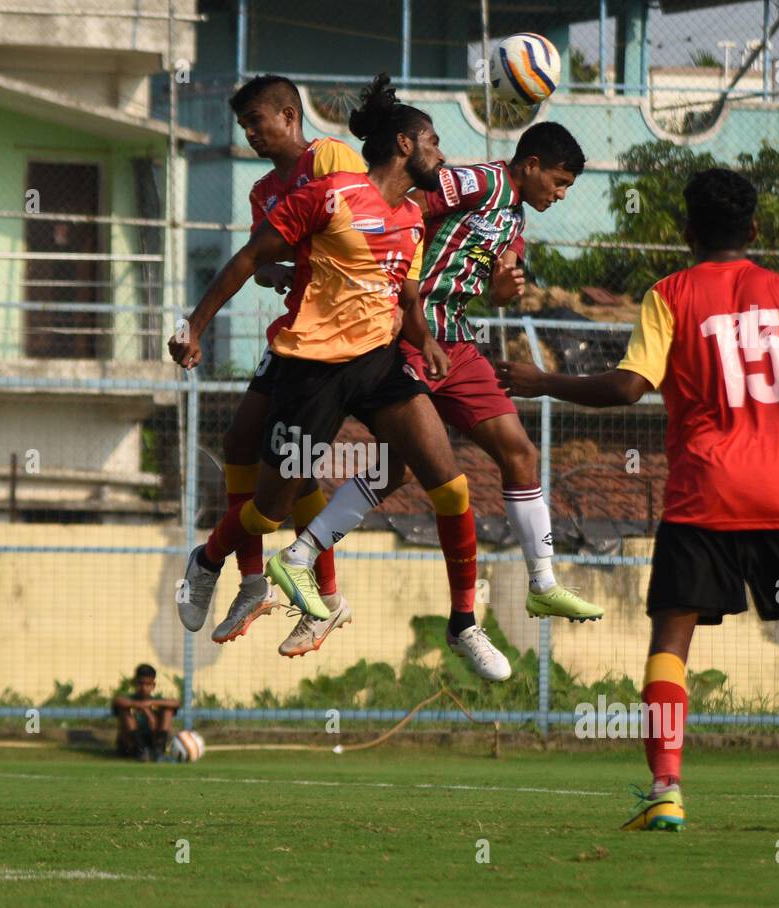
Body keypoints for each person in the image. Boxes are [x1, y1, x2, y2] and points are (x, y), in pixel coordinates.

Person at [497, 168, 779, 837]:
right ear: (756, 230)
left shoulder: (670, 295)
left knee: (670, 640)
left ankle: (666, 791)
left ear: (686, 233)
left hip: (702, 496)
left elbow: (627, 389)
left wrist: (545, 381)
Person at [171, 73, 510, 681]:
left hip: (379, 365)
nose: (442, 153)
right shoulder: (331, 193)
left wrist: (425, 340)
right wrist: (195, 325)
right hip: (312, 371)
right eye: (432, 140)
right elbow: (249, 258)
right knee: (269, 511)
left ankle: (464, 623)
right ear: (405, 145)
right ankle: (209, 557)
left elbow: (402, 295)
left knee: (450, 484)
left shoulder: (412, 217)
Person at [274, 122, 604, 629]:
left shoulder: (515, 217)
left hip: (458, 341)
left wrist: (503, 289)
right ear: (531, 165)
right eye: (558, 183)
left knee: (520, 452)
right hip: (409, 333)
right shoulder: (478, 182)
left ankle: (543, 584)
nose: (560, 195)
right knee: (393, 469)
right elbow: (407, 210)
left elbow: (502, 276)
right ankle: (299, 558)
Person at [212, 74, 367, 656]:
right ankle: (258, 583)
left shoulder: (329, 158)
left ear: (288, 114)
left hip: (340, 340)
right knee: (241, 443)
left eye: (256, 120)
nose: (250, 133)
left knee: (295, 468)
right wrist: (278, 273)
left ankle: (315, 592)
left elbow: (359, 227)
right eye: (244, 125)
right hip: (297, 333)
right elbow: (261, 258)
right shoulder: (262, 192)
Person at [112, 664, 179, 761]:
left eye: (148, 684)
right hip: (131, 745)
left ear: (153, 685)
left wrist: (151, 703)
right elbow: (117, 701)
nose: (144, 688)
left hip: (152, 739)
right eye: (141, 683)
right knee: (123, 711)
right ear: (135, 683)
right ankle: (141, 750)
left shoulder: (156, 701)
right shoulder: (129, 699)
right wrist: (142, 707)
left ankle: (158, 750)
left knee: (168, 711)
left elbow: (176, 703)